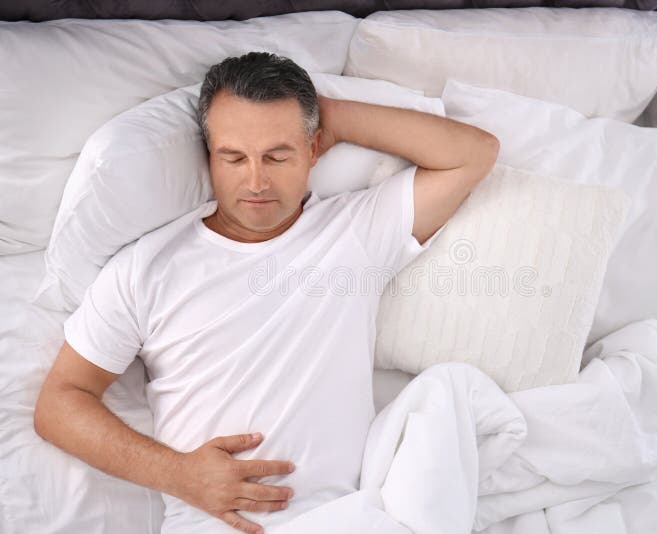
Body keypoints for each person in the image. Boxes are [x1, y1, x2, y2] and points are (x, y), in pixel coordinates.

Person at [33, 51, 499, 534]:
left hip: (345, 519)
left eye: (277, 155)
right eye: (233, 157)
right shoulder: (145, 268)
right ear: (208, 156)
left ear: (313, 150)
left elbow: (472, 154)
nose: (256, 181)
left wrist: (334, 116)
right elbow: (60, 403)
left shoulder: (354, 232)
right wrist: (177, 474)